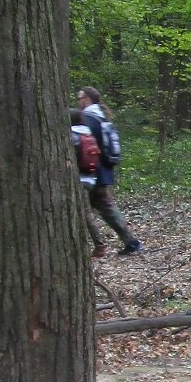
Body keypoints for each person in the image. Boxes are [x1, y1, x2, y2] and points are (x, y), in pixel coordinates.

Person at [76, 86, 143, 256]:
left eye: (80, 98)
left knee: (90, 208)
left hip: (90, 171)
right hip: (102, 169)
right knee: (105, 207)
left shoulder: (88, 118)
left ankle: (104, 246)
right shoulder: (101, 116)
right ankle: (129, 242)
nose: (78, 101)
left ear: (88, 99)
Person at [70, 107, 108, 258]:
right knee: (85, 212)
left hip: (78, 180)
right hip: (90, 178)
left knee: (85, 213)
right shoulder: (87, 133)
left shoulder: (71, 136)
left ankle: (99, 245)